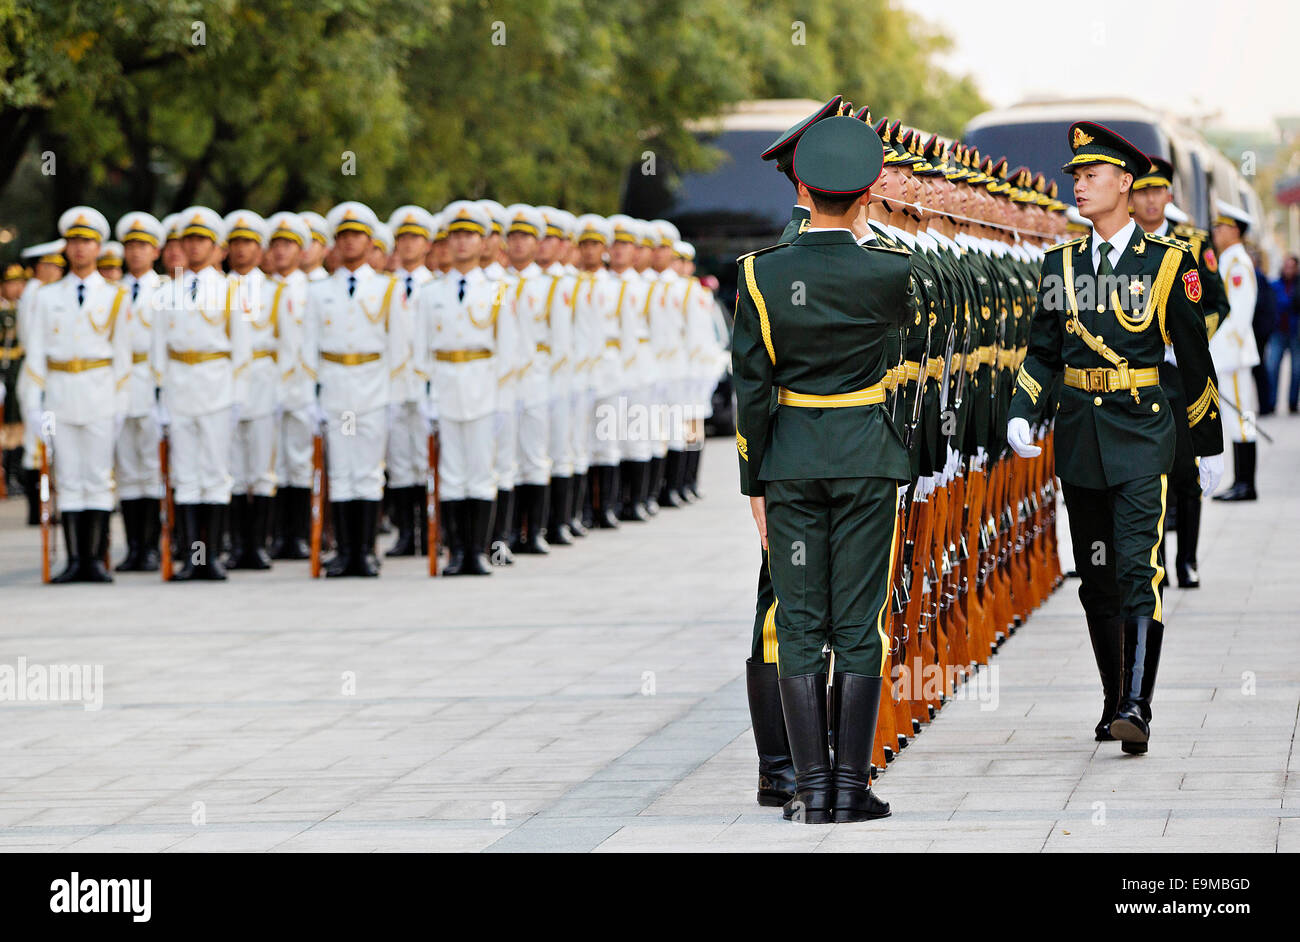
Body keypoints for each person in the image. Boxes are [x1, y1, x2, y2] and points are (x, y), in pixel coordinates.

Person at [1007, 122, 1224, 755]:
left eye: (1090, 175)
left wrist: (1205, 444)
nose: (1078, 185)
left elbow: (1194, 356)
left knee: (1138, 566)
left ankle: (1137, 703)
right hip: (1079, 437)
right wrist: (1023, 410)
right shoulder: (1060, 265)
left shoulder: (1169, 265)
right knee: (1096, 576)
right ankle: (1111, 700)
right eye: (1075, 176)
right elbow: (1042, 352)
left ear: (1124, 185)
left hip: (1141, 433)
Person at [733, 115, 910, 823]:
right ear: (869, 191)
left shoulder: (761, 274)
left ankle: (807, 790)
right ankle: (849, 786)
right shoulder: (893, 272)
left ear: (803, 188)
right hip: (867, 455)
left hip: (792, 462)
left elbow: (751, 391)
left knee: (801, 623)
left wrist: (755, 484)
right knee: (861, 623)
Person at [23, 207, 132, 583]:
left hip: (100, 392)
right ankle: (74, 560)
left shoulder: (116, 296)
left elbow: (122, 357)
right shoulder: (46, 296)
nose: (80, 249)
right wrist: (33, 406)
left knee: (98, 477)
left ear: (99, 246)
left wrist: (120, 404)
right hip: (58, 395)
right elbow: (34, 354)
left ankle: (96, 560)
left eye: (87, 241)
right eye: (74, 242)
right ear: (66, 248)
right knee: (68, 477)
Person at [1129, 158, 1223, 588]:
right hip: (1140, 375)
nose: (1151, 200)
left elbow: (1217, 304)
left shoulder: (1192, 244)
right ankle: (1157, 563)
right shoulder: (1123, 247)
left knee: (1186, 471)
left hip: (1180, 375)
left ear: (1169, 196)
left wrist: (1186, 339)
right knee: (1150, 472)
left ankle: (1188, 559)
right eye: (1142, 192)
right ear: (1131, 199)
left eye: (1158, 191)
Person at [302, 201, 405, 577]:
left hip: (373, 387)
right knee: (342, 471)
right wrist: (310, 397)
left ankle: (366, 551)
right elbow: (307, 348)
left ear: (370, 240)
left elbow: (399, 348)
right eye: (343, 236)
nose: (349, 242)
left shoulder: (386, 289)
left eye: (356, 235)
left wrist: (394, 395)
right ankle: (345, 551)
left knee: (369, 471)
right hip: (336, 390)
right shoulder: (319, 291)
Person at [154, 206, 250, 581]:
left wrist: (237, 397)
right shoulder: (168, 290)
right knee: (186, 474)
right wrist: (160, 398)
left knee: (214, 473)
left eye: (202, 240)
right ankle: (191, 558)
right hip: (179, 388)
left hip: (216, 387)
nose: (194, 247)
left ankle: (211, 557)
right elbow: (158, 348)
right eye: (189, 240)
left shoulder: (231, 289)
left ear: (216, 248)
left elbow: (241, 351)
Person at [416, 200, 511, 576]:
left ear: (483, 240)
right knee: (452, 474)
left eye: (470, 235)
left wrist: (503, 400)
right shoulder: (431, 293)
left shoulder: (498, 288)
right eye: (456, 235)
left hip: (484, 386)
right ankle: (457, 552)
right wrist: (427, 397)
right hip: (445, 386)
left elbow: (509, 349)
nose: (462, 243)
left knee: (481, 471)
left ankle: (478, 551)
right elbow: (420, 350)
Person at [112, 211, 165, 571]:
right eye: (130, 245)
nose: (135, 253)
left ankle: (151, 546)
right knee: (126, 469)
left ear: (156, 251)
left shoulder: (167, 291)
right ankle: (133, 547)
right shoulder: (111, 292)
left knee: (151, 468)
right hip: (117, 384)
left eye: (142, 246)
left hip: (151, 382)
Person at [384, 205, 437, 557]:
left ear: (427, 244)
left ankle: (429, 530)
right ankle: (406, 533)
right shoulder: (383, 288)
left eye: (414, 238)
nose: (407, 245)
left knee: (425, 458)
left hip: (425, 383)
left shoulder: (435, 287)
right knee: (399, 460)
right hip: (390, 384)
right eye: (402, 238)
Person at [1208, 202, 1260, 501]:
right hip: (1228, 355)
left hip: (1233, 355)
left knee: (1242, 417)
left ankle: (1246, 484)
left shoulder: (1237, 262)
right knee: (1236, 417)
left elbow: (1238, 316)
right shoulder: (1227, 259)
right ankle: (1240, 481)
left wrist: (1217, 352)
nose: (1215, 232)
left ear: (1234, 230)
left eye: (1220, 227)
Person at [1264, 255, 1299, 414]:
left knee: (1296, 370)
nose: (1288, 269)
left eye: (1292, 266)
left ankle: (1292, 403)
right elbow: (1274, 303)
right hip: (1277, 332)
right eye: (1286, 266)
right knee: (1272, 367)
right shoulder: (1275, 284)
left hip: (1295, 333)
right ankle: (1271, 402)